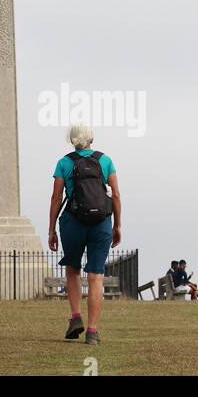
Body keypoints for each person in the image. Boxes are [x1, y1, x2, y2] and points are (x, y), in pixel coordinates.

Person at [48, 123, 121, 345]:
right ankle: (92, 331)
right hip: (101, 223)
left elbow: (56, 198)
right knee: (96, 276)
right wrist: (117, 225)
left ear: (72, 140)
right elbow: (116, 195)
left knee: (73, 269)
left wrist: (51, 229)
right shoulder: (105, 160)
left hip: (73, 221)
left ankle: (76, 317)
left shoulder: (64, 163)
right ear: (91, 139)